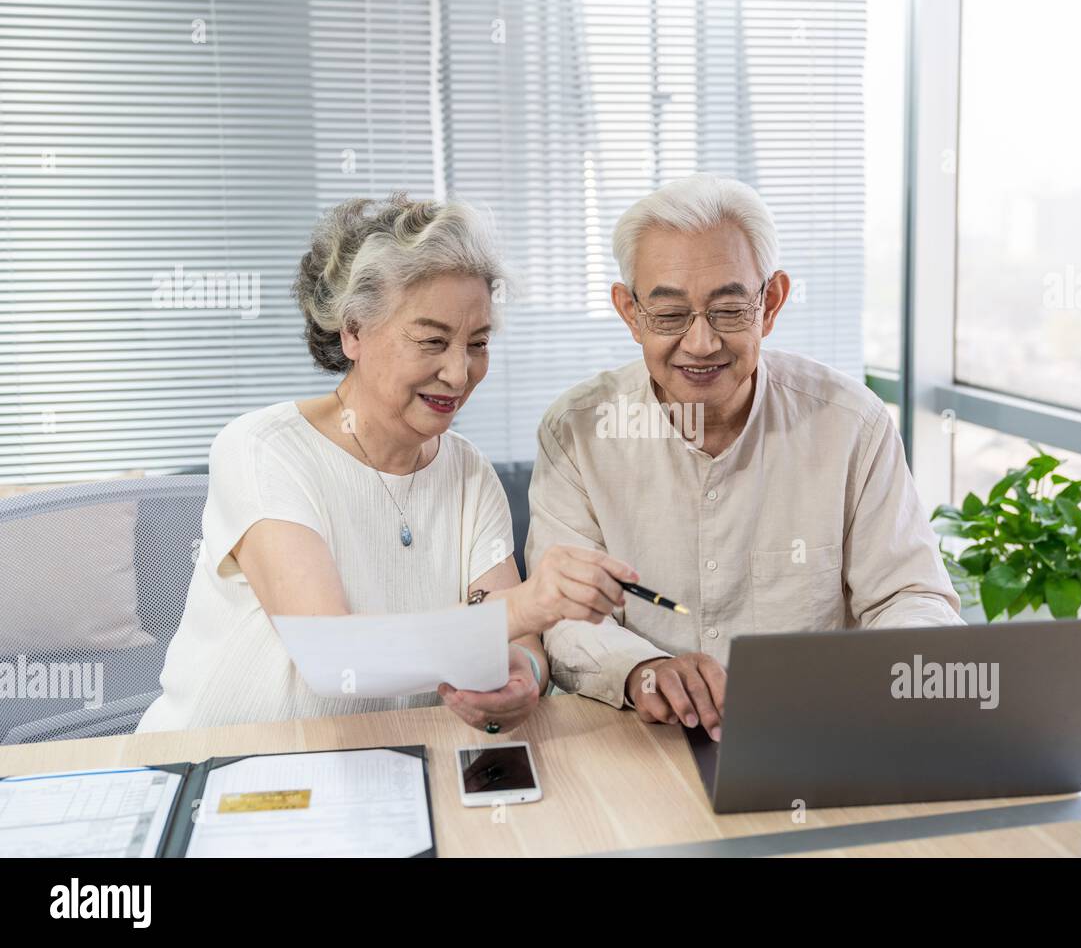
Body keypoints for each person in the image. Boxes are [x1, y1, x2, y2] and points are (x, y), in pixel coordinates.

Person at [137, 194, 635, 735]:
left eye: (478, 343)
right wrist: (525, 607)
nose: (458, 372)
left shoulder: (469, 474)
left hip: (391, 765)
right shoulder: (264, 449)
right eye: (431, 341)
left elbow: (515, 640)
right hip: (220, 770)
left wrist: (525, 676)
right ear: (353, 331)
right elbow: (331, 657)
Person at [526, 174, 960, 742]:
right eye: (669, 314)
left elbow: (912, 595)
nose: (701, 343)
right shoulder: (579, 430)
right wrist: (642, 672)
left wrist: (891, 667)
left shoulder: (850, 423)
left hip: (817, 736)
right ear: (630, 313)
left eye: (729, 310)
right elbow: (562, 613)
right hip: (639, 742)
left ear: (771, 302)